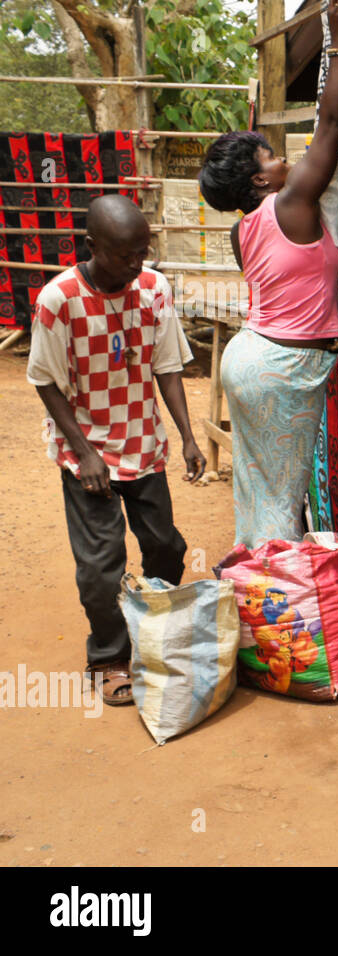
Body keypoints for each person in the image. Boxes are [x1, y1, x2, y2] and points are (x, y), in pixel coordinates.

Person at [27, 194, 205, 707]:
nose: (136, 264)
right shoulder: (58, 299)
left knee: (166, 548)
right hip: (88, 454)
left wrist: (188, 436)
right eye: (125, 255)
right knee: (101, 562)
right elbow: (45, 381)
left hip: (142, 444)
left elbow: (166, 364)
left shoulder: (153, 288)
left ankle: (149, 634)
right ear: (92, 247)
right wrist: (83, 452)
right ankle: (108, 656)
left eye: (142, 253)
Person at [197, 0, 338, 548]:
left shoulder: (243, 233)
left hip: (250, 358)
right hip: (284, 367)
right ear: (261, 183)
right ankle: (274, 615)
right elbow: (333, 124)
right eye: (272, 159)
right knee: (280, 503)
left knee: (257, 491)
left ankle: (254, 597)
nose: (286, 162)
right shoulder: (291, 203)